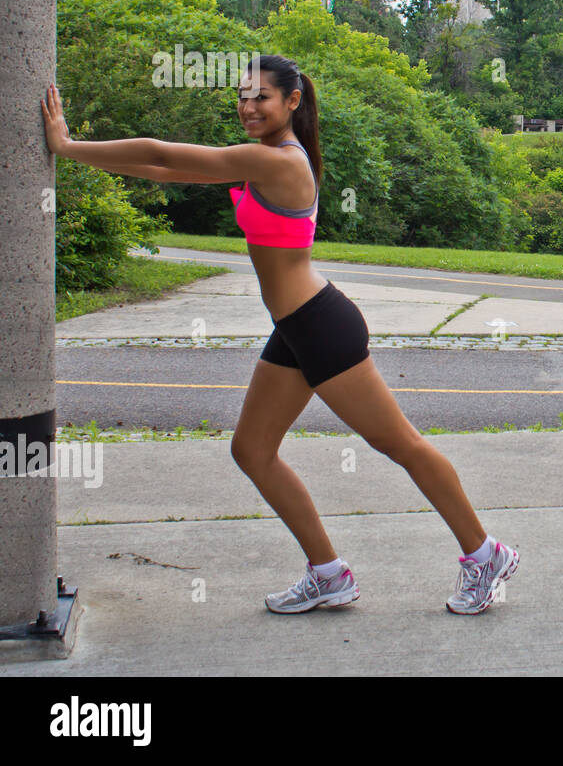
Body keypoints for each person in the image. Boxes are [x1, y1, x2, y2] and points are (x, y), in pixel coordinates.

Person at [41, 54, 518, 615]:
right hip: (295, 330)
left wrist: (69, 147)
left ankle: (485, 553)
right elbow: (168, 171)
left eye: (261, 96)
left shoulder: (282, 162)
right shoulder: (262, 158)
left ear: (291, 101)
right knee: (252, 449)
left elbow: (162, 153)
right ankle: (328, 573)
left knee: (399, 444)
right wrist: (78, 153)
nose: (248, 106)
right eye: (242, 96)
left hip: (320, 327)